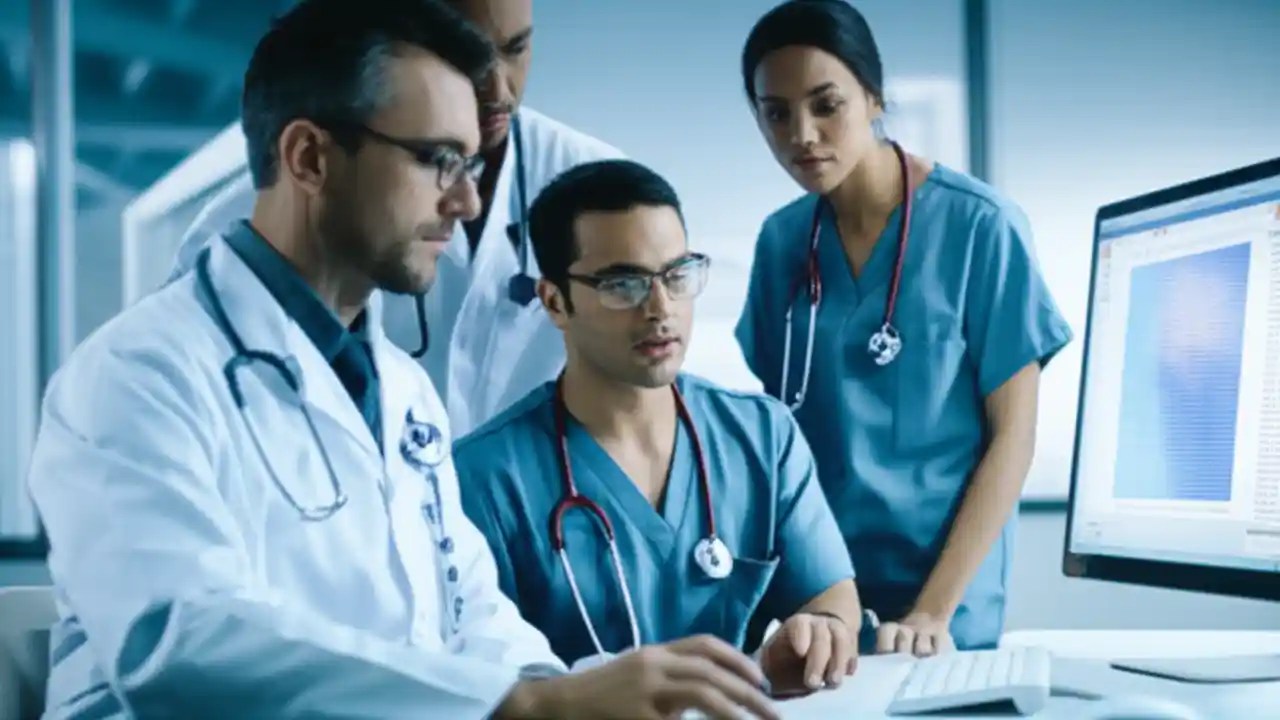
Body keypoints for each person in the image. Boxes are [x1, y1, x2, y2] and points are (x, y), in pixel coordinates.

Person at [25, 2, 778, 718]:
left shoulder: (405, 392)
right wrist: (526, 707)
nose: (470, 203)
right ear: (310, 156)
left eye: (473, 165)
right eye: (437, 161)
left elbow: (469, 614)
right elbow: (180, 647)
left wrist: (575, 694)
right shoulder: (135, 376)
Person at [734, 0, 1074, 654]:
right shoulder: (781, 243)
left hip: (941, 603)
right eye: (776, 113)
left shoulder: (981, 227)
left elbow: (1013, 438)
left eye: (825, 104)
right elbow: (777, 445)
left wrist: (933, 613)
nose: (801, 134)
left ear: (874, 96)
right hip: (823, 603)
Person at [454, 158, 865, 697]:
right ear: (555, 301)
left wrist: (820, 633)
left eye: (677, 275)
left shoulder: (762, 437)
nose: (660, 307)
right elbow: (477, 683)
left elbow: (830, 598)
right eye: (623, 284)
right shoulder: (481, 479)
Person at [169, 0, 625, 439]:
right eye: (463, 53)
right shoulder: (257, 225)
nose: (498, 91)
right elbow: (184, 392)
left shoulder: (606, 188)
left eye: (516, 48)